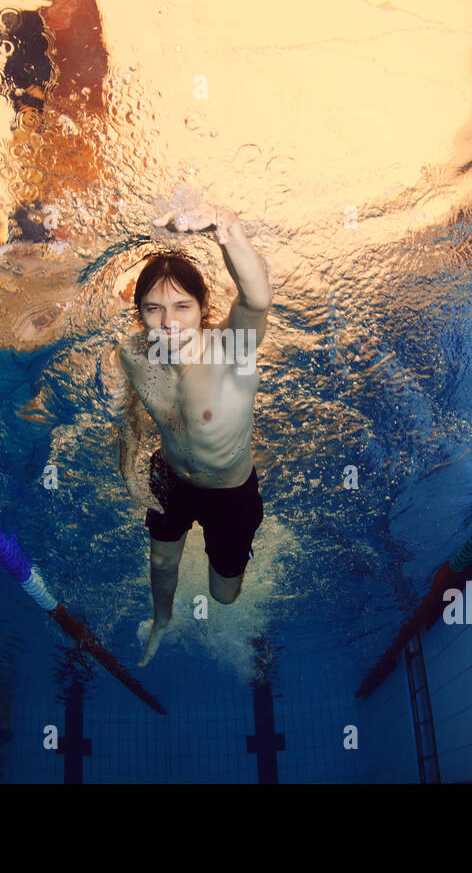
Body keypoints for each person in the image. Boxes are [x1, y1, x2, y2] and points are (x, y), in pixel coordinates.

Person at [117, 201, 271, 666]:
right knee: (161, 563)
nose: (168, 323)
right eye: (154, 309)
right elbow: (130, 411)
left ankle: (232, 560)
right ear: (139, 311)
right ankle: (162, 620)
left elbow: (256, 300)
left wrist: (229, 229)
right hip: (170, 475)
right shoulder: (133, 355)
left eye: (183, 306)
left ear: (204, 308)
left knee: (223, 596)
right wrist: (127, 462)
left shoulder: (232, 351)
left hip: (229, 492)